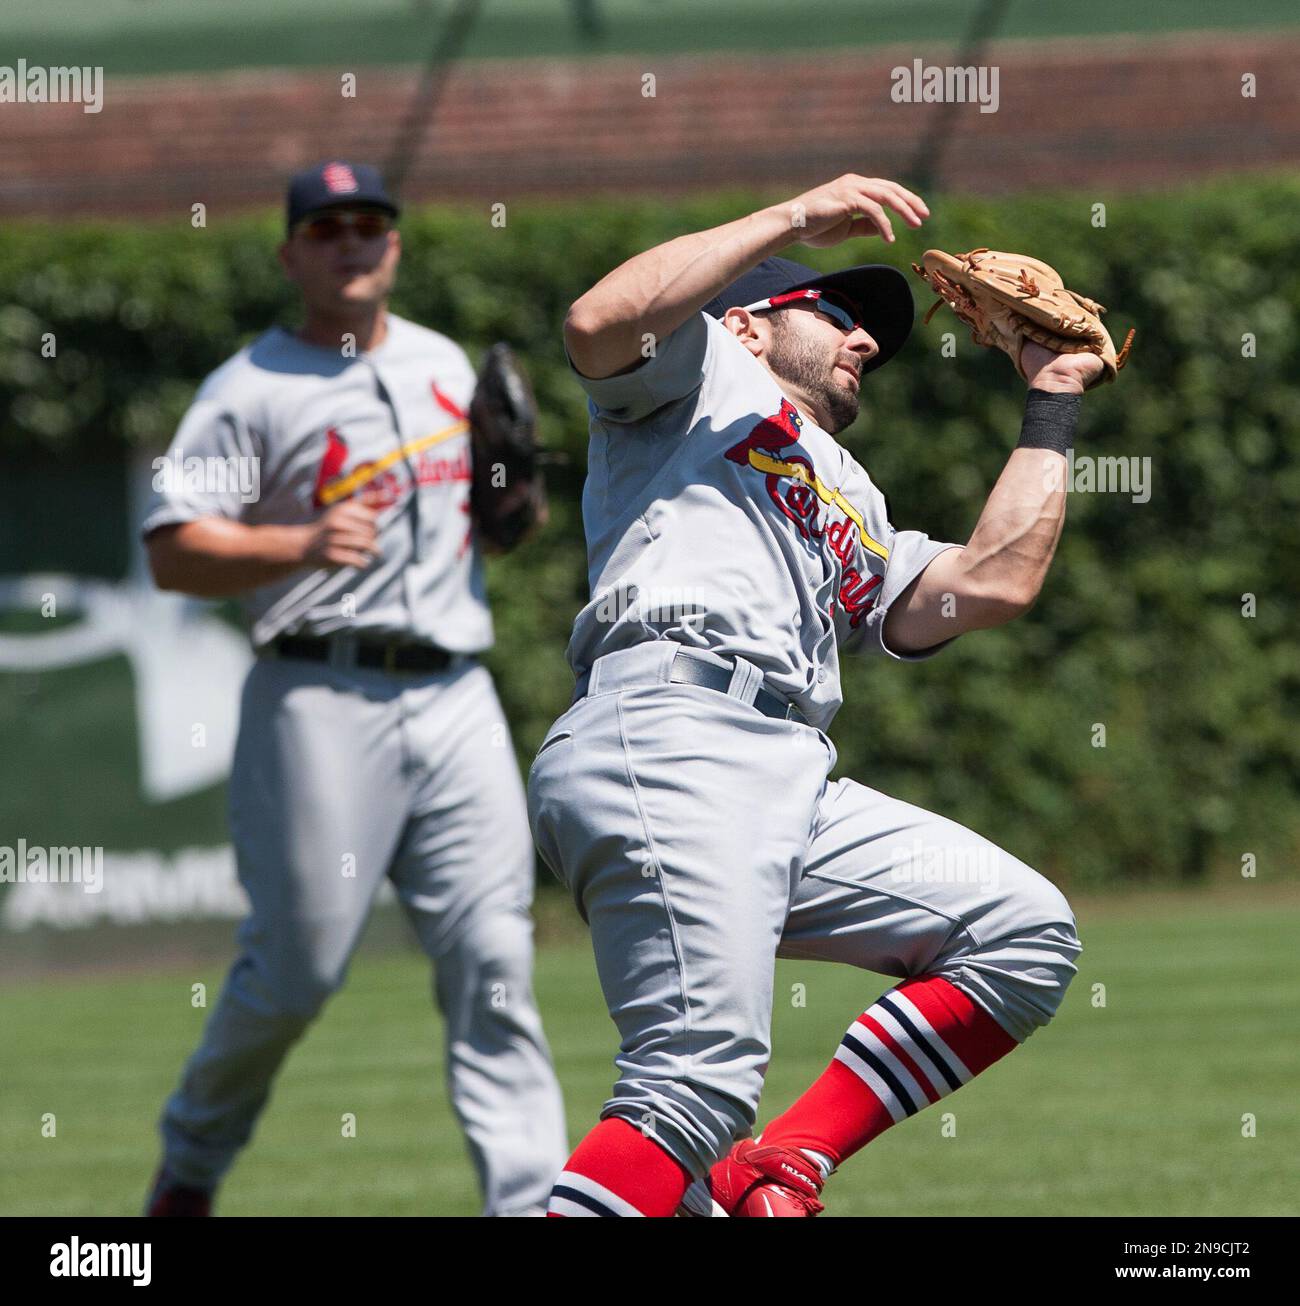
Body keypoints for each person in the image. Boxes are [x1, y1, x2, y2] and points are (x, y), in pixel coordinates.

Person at [528, 173, 1087, 1217]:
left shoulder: (854, 492)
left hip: (787, 769)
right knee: (691, 1081)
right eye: (834, 313)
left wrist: (1051, 396)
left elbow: (992, 581)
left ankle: (775, 1163)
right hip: (670, 724)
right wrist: (790, 218)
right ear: (743, 324)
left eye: (871, 326)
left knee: (1021, 930)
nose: (866, 339)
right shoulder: (688, 382)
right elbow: (597, 319)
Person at [142, 160, 566, 1217]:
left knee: (495, 954)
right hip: (317, 693)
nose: (351, 242)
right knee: (296, 971)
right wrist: (296, 541)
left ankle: (530, 1203)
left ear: (396, 244)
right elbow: (172, 549)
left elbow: (496, 519)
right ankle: (189, 1164)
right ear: (292, 255)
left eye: (369, 224)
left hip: (455, 690)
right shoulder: (250, 390)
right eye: (326, 228)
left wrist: (518, 508)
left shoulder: (441, 363)